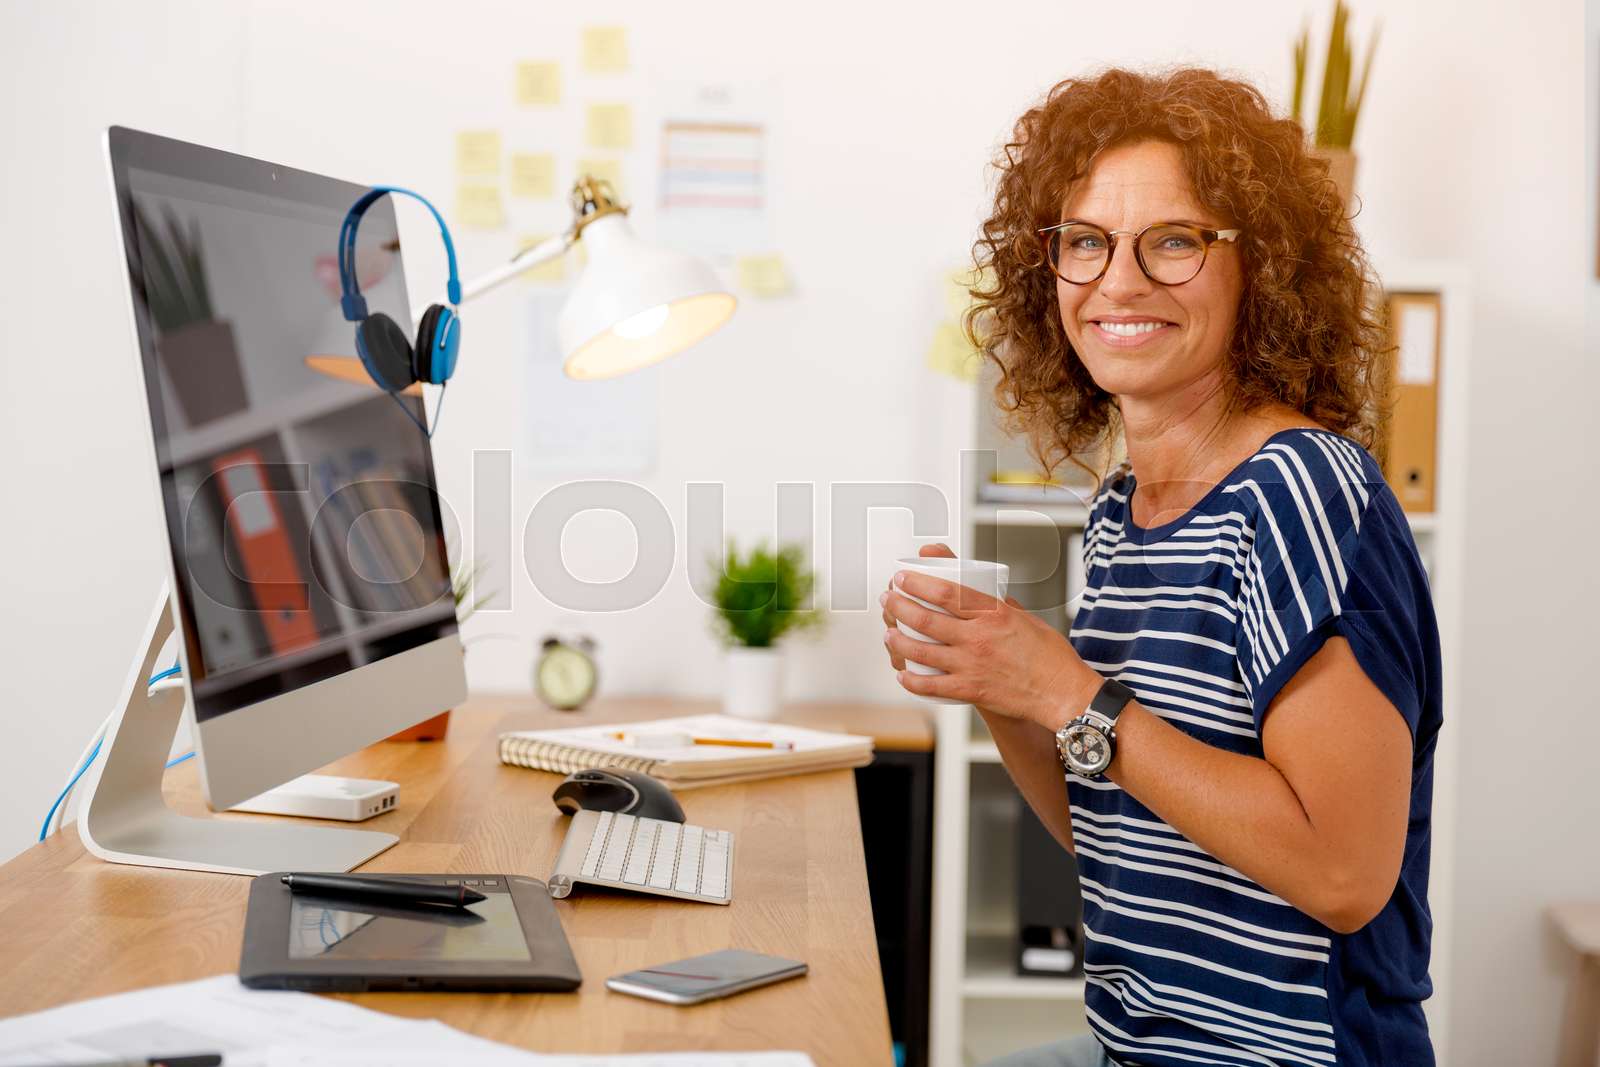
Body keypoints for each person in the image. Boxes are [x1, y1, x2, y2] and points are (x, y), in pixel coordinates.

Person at [881, 67, 1439, 1067]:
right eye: (1085, 242)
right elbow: (1112, 825)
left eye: (1173, 241)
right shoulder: (1119, 511)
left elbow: (1346, 871)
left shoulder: (1302, 491)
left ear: (1257, 268)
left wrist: (1067, 687)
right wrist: (1003, 686)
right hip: (1131, 1042)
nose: (1118, 282)